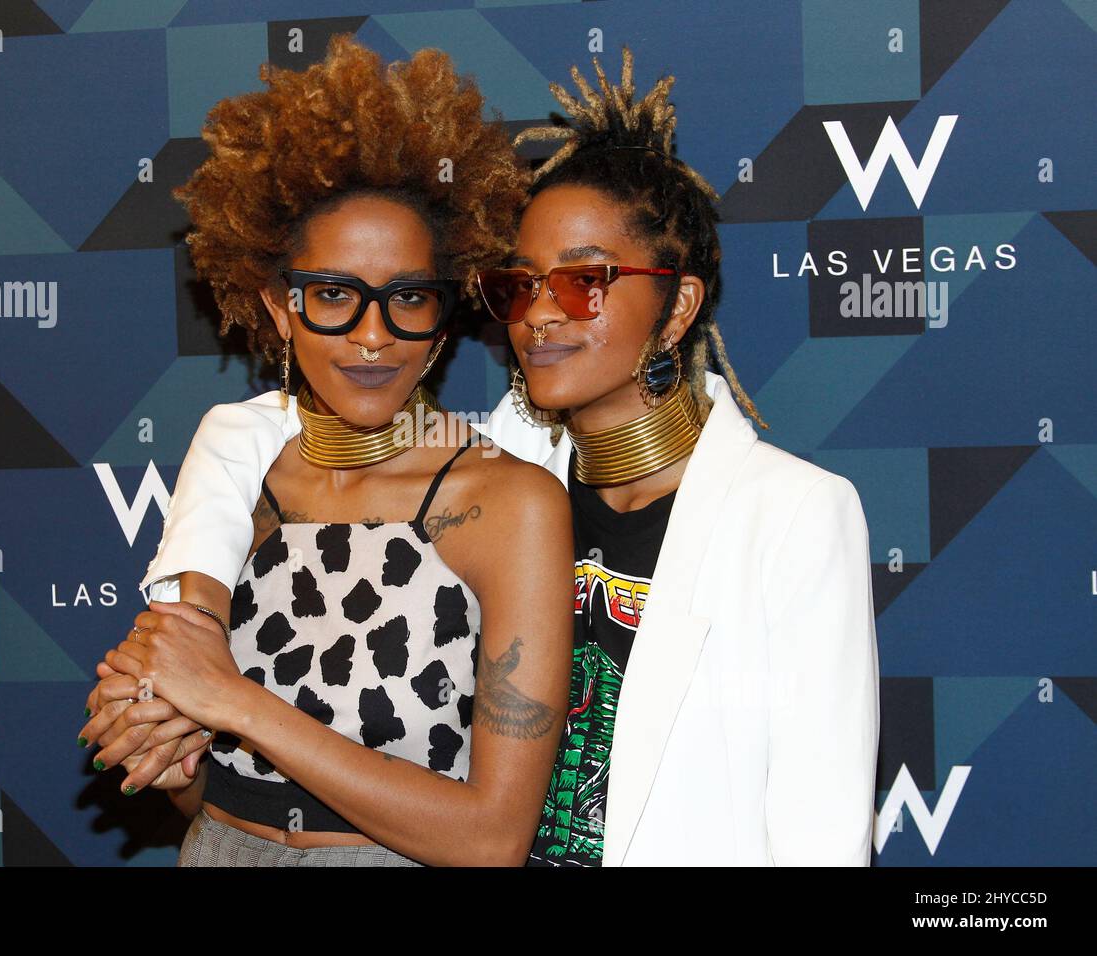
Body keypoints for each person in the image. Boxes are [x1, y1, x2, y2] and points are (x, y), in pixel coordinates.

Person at [99, 47, 880, 866]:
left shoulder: (789, 515)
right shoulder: (482, 473)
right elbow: (279, 427)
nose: (541, 315)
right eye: (520, 286)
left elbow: (821, 833)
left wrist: (226, 695)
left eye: (584, 282)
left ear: (678, 304)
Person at [78, 36, 573, 867]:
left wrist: (231, 701)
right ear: (279, 308)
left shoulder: (508, 503)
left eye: (407, 297)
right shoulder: (242, 476)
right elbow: (211, 786)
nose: (373, 336)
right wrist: (159, 735)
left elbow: (493, 839)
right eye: (334, 295)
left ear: (444, 318)